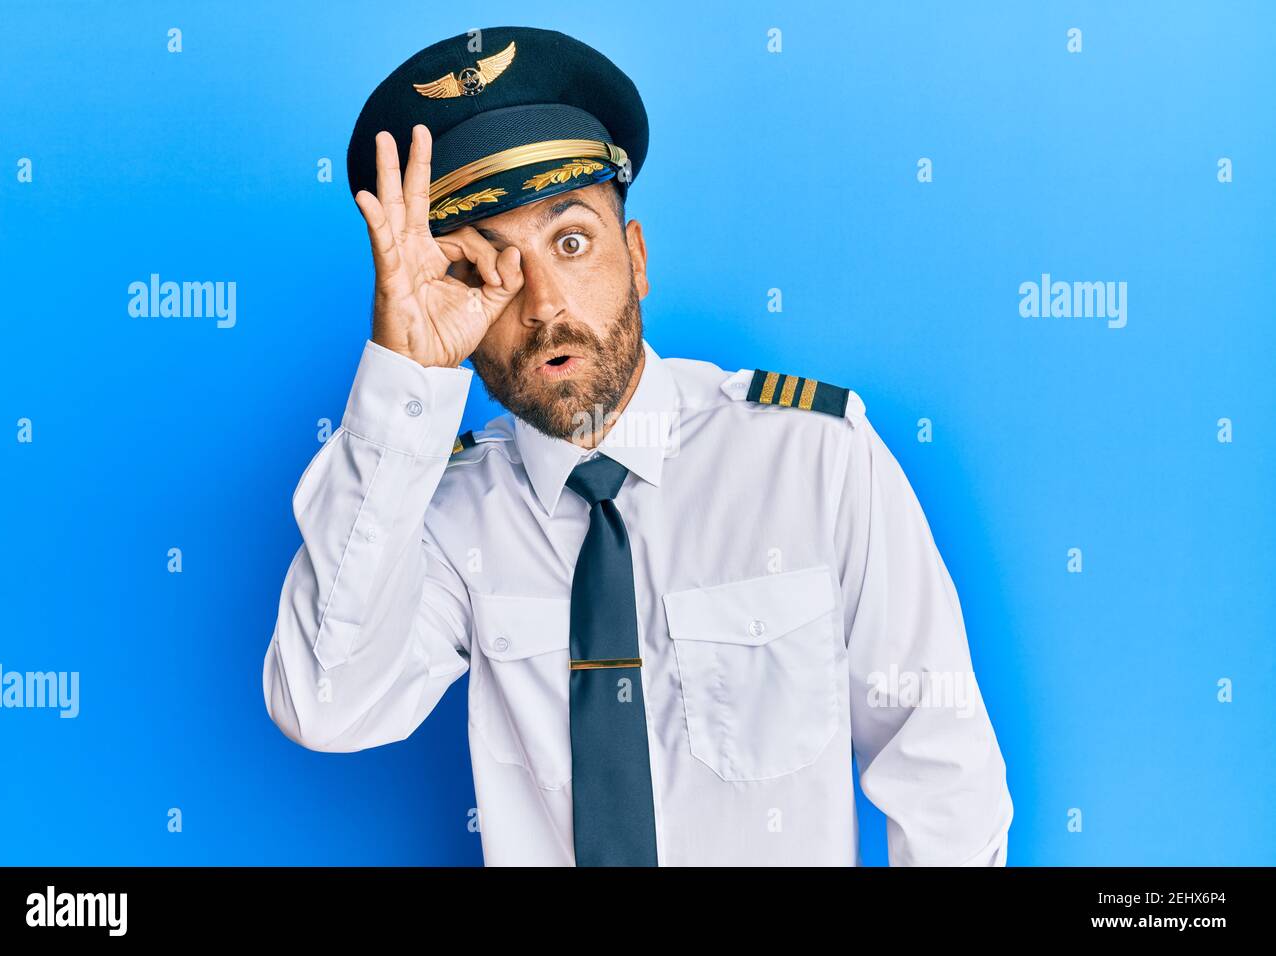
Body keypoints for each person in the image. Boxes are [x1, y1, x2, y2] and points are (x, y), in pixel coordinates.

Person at [262, 25, 1013, 866]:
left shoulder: (815, 459)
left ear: (638, 257)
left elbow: (941, 766)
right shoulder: (441, 512)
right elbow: (324, 704)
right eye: (488, 269)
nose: (544, 302)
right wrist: (405, 373)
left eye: (572, 241)